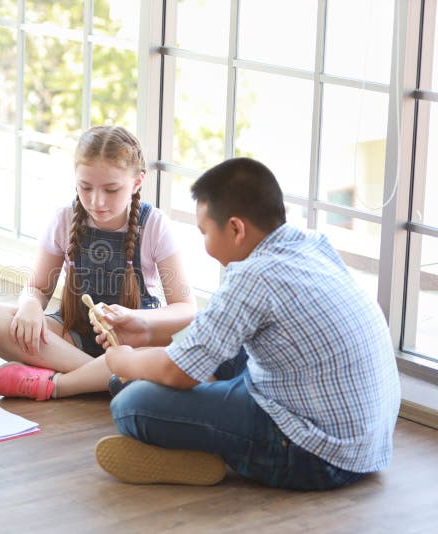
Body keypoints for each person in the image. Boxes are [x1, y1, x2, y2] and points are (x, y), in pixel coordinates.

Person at [95, 157, 401, 490]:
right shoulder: (309, 244)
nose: (205, 244)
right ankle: (199, 417)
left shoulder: (253, 276)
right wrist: (148, 330)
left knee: (130, 405)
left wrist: (121, 358)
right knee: (148, 376)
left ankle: (198, 444)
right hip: (368, 442)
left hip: (319, 454)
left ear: (236, 229)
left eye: (205, 232)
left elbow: (176, 372)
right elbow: (214, 333)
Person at [0, 126, 196, 400]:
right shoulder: (64, 218)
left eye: (111, 189)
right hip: (72, 336)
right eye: (85, 187)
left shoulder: (155, 225)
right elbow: (38, 288)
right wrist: (29, 305)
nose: (96, 201)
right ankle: (110, 377)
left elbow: (184, 307)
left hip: (132, 342)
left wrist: (134, 318)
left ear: (137, 182)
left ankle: (61, 384)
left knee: (190, 337)